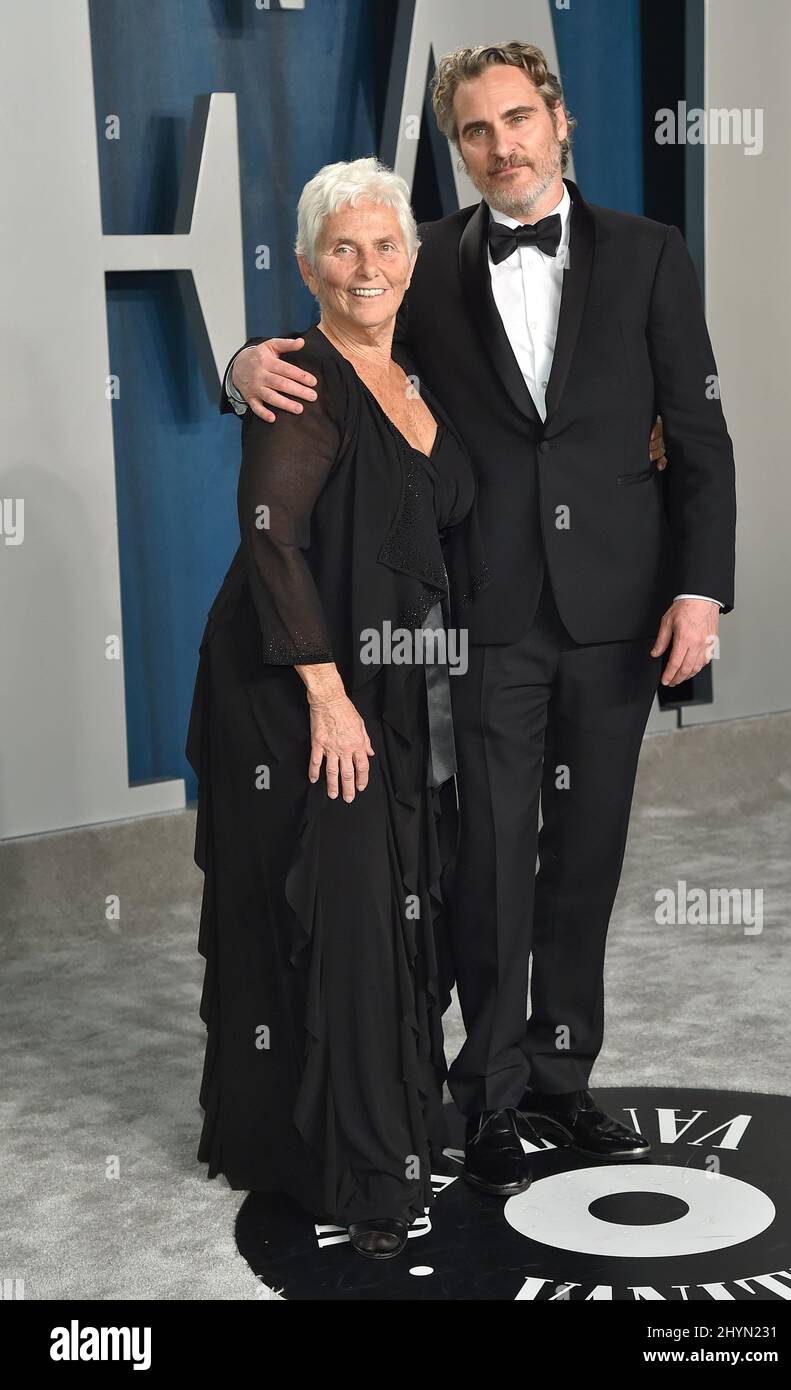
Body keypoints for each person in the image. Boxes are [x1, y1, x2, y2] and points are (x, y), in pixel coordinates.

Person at [220, 42, 736, 1198]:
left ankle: (564, 1073)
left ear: (557, 121)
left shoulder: (654, 257)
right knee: (494, 863)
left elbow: (700, 430)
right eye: (474, 132)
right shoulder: (425, 260)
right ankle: (490, 1093)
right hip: (485, 614)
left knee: (586, 857)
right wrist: (239, 361)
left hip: (621, 613)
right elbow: (340, 344)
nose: (500, 147)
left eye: (517, 120)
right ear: (456, 149)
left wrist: (701, 587)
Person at [186, 156, 489, 1258]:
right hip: (298, 686)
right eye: (343, 248)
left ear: (413, 257)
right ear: (309, 264)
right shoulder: (298, 377)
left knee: (401, 893)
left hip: (396, 682)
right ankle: (356, 1172)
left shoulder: (418, 367)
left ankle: (393, 1120)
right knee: (352, 904)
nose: (368, 266)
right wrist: (328, 695)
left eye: (385, 244)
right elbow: (269, 533)